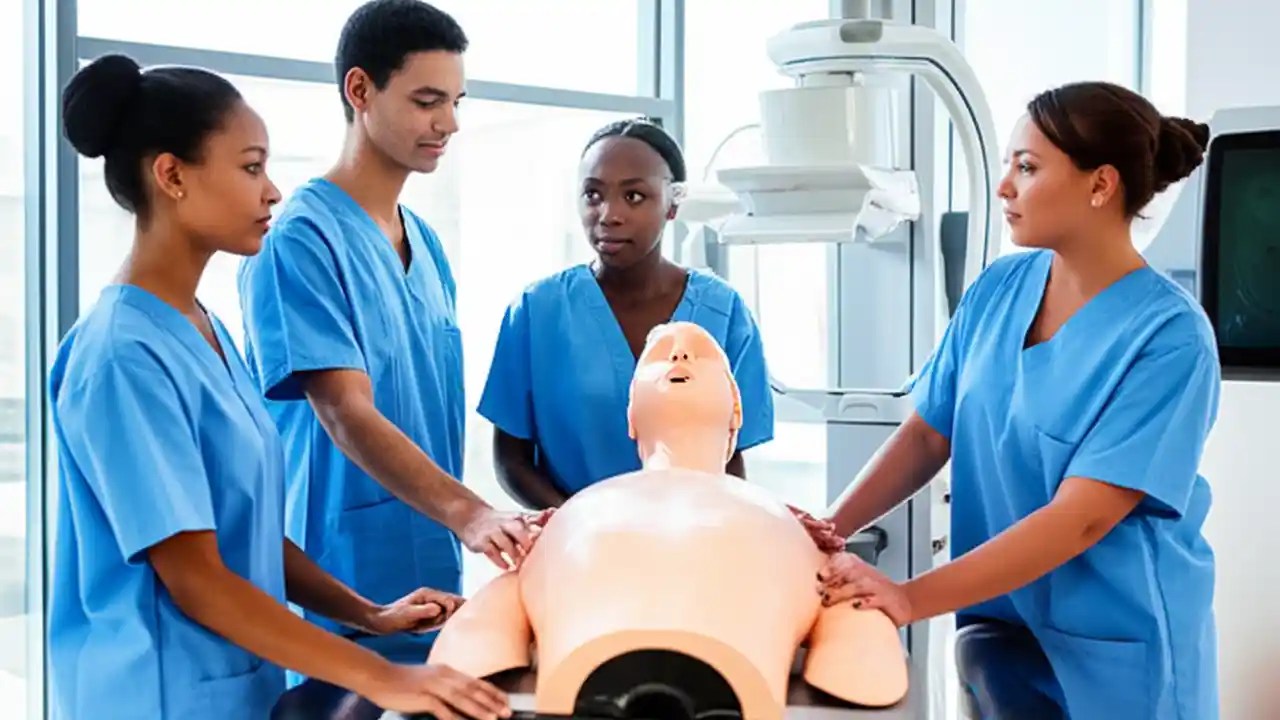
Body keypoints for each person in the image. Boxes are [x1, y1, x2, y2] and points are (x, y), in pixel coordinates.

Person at [47, 54, 511, 720]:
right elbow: (198, 579)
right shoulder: (122, 356)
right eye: (250, 167)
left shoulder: (202, 330)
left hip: (237, 689)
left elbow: (248, 534)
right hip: (155, 697)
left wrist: (368, 615)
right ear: (172, 175)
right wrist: (384, 677)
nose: (271, 192)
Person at [816, 81, 1220, 720]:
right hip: (1000, 632)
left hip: (1116, 649)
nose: (1004, 186)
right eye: (1007, 165)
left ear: (1101, 184)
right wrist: (829, 528)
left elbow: (1081, 517)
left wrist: (910, 598)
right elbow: (929, 433)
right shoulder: (998, 288)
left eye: (1026, 168)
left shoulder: (1170, 338)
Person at [237, 0, 537, 669]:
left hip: (429, 574)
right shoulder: (299, 239)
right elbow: (344, 412)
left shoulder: (424, 243)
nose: (449, 123)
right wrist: (473, 514)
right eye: (428, 101)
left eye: (457, 101)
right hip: (335, 580)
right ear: (360, 90)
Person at [477, 118, 775, 508]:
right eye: (593, 194)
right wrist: (579, 524)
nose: (609, 215)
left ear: (673, 204)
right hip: (576, 546)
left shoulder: (724, 313)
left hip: (692, 541)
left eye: (634, 196)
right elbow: (510, 461)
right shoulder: (537, 311)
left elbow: (730, 459)